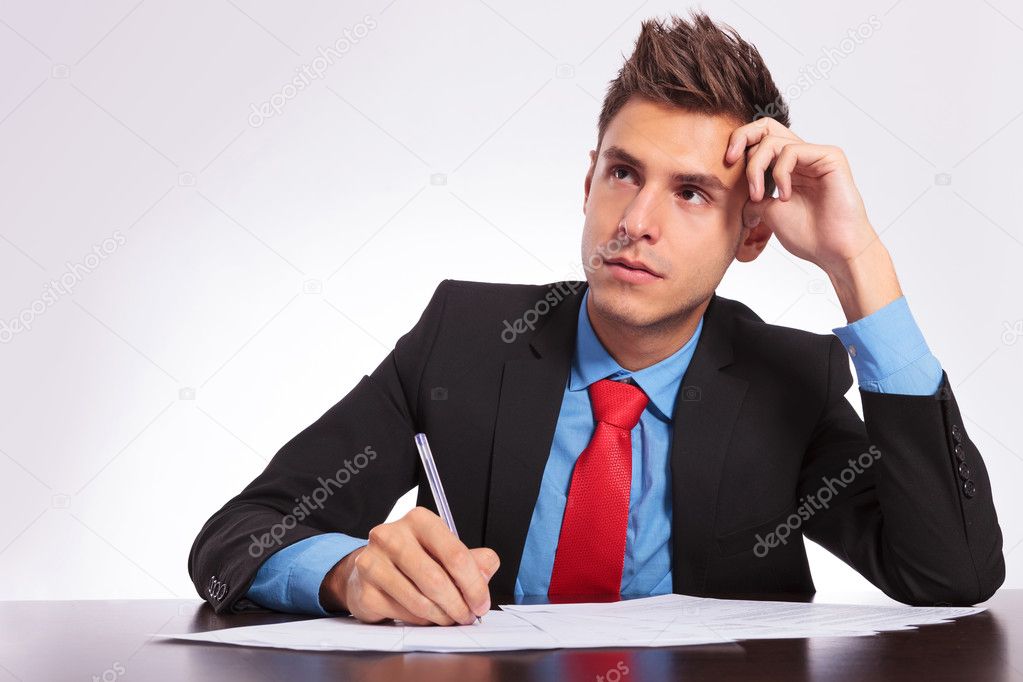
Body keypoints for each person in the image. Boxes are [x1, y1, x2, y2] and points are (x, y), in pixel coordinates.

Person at [189, 12, 1004, 626]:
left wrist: (855, 263)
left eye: (690, 193)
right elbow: (237, 535)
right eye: (622, 173)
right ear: (588, 183)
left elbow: (952, 571)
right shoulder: (462, 345)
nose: (636, 221)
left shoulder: (785, 382)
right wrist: (345, 573)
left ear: (751, 231)